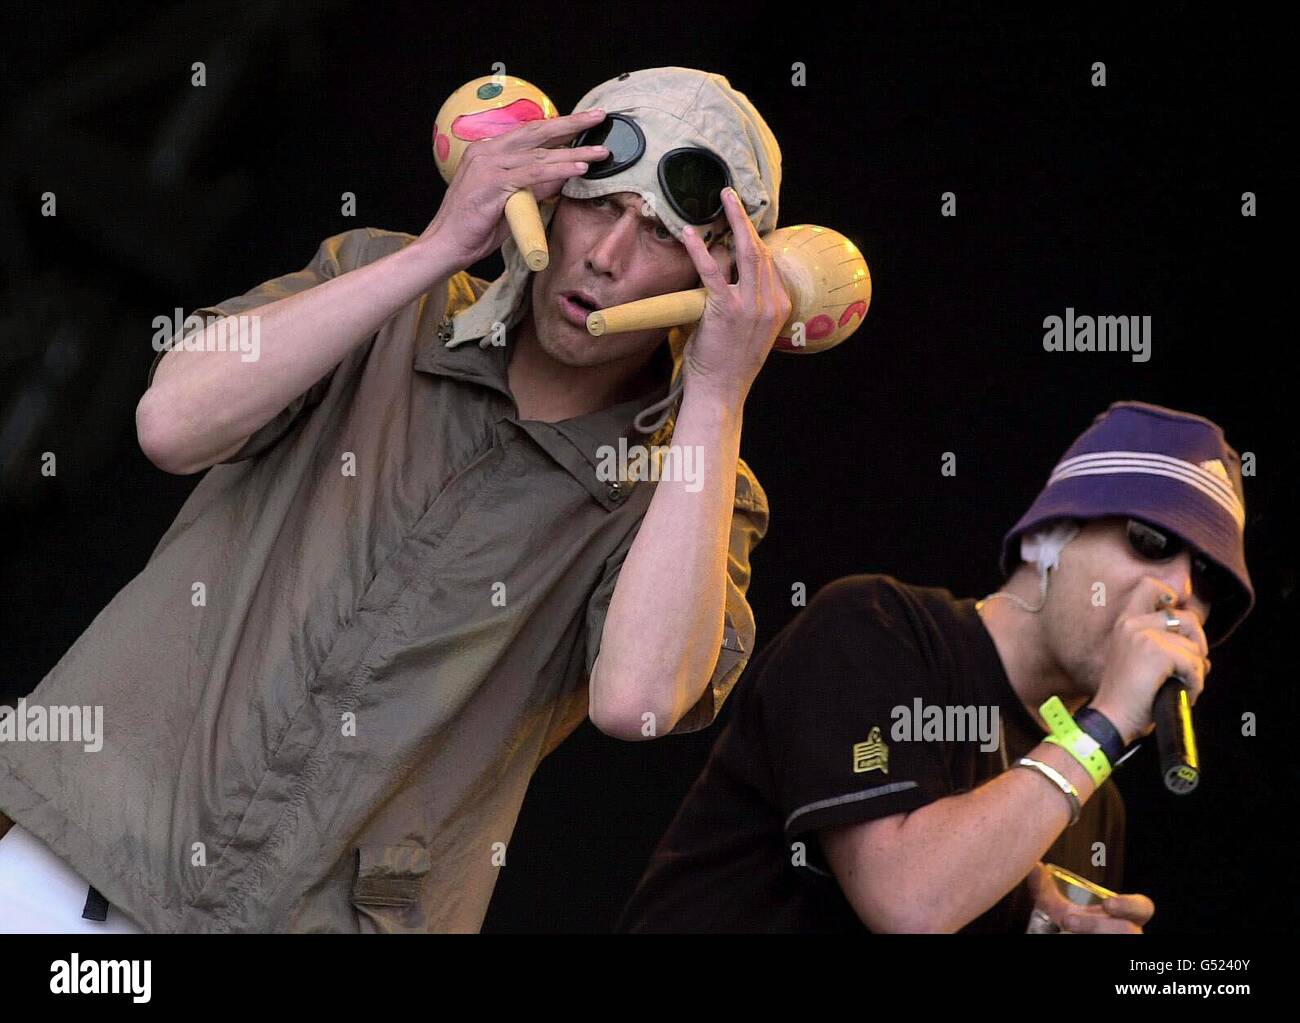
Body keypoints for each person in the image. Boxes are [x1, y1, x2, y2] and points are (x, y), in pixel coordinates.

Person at [0, 66, 787, 932]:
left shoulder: (692, 489)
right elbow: (172, 423)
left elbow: (637, 700)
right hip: (88, 861)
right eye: (598, 203)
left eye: (661, 236)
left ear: (717, 279)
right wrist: (436, 249)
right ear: (549, 196)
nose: (607, 256)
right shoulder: (384, 283)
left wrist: (717, 393)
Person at [617, 401, 1254, 933]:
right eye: (1151, 541)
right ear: (1048, 537)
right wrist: (1106, 726)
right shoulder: (875, 626)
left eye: (1208, 586)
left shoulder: (1095, 797)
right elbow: (908, 901)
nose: (1178, 591)